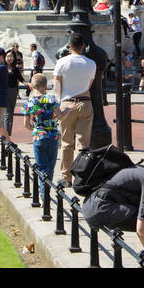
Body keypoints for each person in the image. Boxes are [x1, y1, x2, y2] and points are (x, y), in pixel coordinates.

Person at [53, 32, 96, 183]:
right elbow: (89, 85)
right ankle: (81, 176)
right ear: (83, 46)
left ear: (70, 46)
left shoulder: (62, 62)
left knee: (66, 142)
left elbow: (57, 85)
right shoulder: (91, 63)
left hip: (67, 102)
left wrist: (58, 103)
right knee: (83, 144)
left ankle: (66, 177)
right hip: (85, 102)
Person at [23, 72, 61, 198]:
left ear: (31, 87)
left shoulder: (29, 102)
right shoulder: (52, 99)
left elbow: (26, 125)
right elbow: (61, 115)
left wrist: (36, 129)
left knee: (41, 167)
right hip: (53, 136)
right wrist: (68, 110)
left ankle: (44, 195)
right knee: (50, 167)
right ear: (46, 87)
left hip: (39, 136)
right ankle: (46, 192)